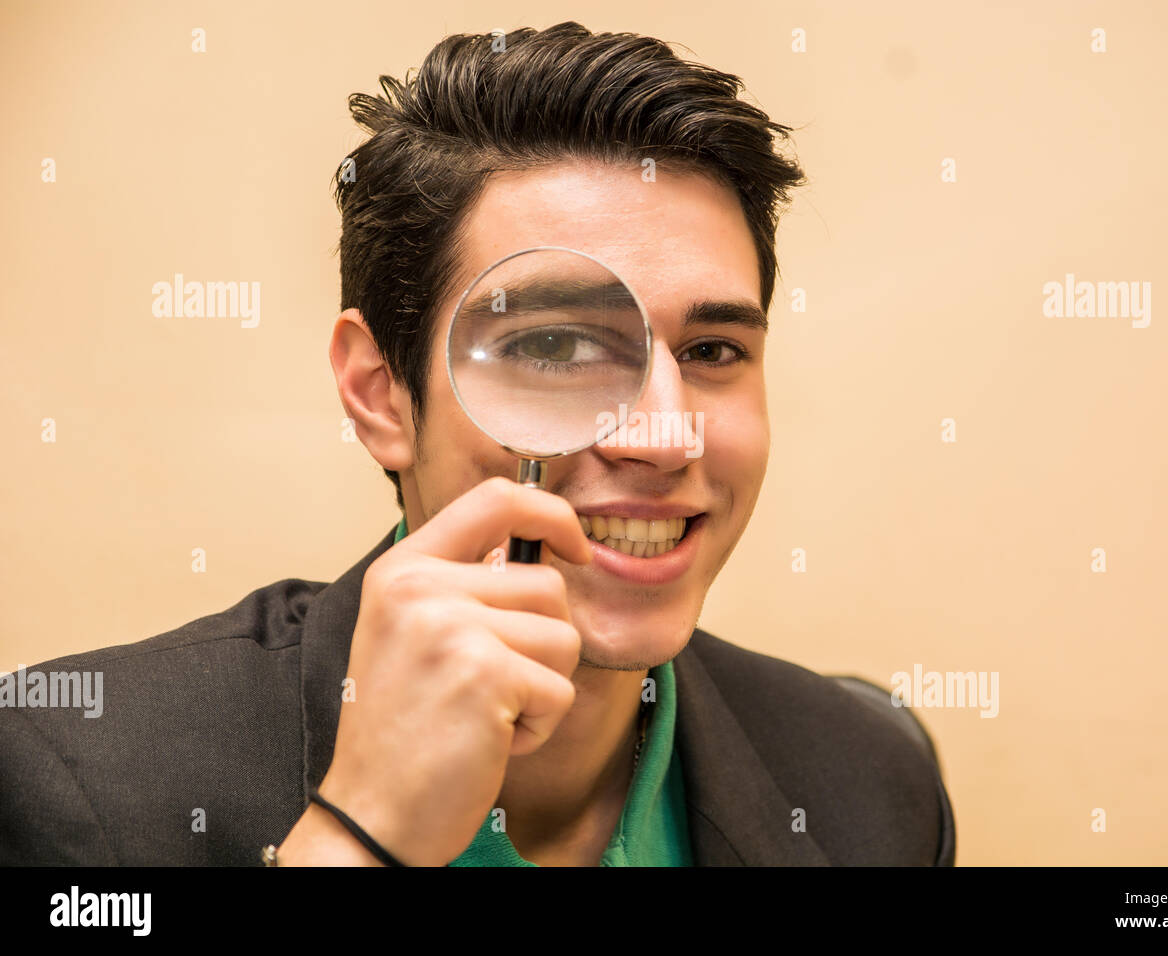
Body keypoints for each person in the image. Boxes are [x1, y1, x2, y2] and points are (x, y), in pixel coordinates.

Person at [0, 22, 955, 866]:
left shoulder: (870, 779)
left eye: (712, 350)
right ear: (380, 394)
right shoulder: (76, 777)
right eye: (553, 345)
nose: (666, 436)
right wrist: (357, 834)